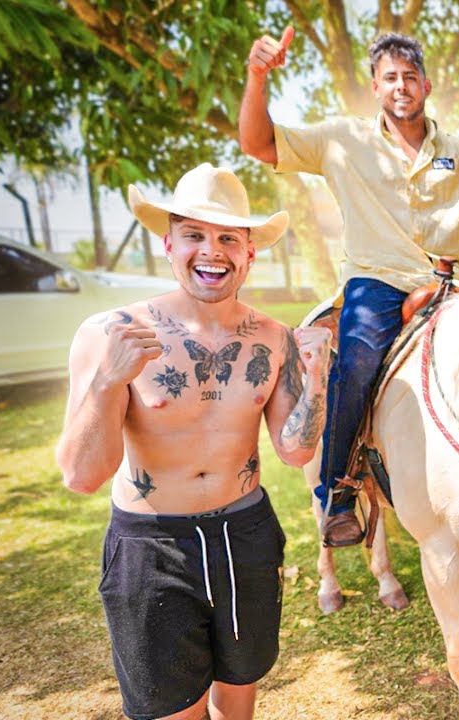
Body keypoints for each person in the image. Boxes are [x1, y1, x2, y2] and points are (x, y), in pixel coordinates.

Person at [238, 29, 459, 546]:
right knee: (356, 361)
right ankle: (337, 495)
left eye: (410, 77)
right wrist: (257, 75)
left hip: (451, 285)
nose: (401, 86)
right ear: (376, 88)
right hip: (375, 282)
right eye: (389, 78)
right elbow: (257, 143)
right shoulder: (342, 139)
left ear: (425, 86)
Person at [55, 163, 332, 720]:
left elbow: (295, 451)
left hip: (246, 534)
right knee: (172, 710)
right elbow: (82, 476)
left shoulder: (275, 339)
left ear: (250, 252)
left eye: (229, 237)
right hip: (152, 545)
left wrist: (318, 374)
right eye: (195, 235)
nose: (213, 251)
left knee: (238, 692)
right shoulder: (113, 332)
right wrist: (109, 380)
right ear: (169, 244)